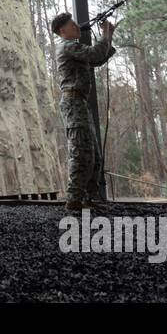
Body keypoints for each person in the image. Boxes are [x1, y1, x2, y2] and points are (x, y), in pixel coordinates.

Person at [51, 12, 117, 210]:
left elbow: (97, 59)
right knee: (81, 151)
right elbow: (96, 54)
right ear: (63, 31)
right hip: (73, 102)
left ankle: (87, 198)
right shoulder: (68, 46)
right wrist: (105, 35)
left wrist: (108, 36)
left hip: (79, 103)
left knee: (94, 154)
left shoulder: (74, 47)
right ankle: (74, 200)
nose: (77, 26)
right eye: (72, 25)